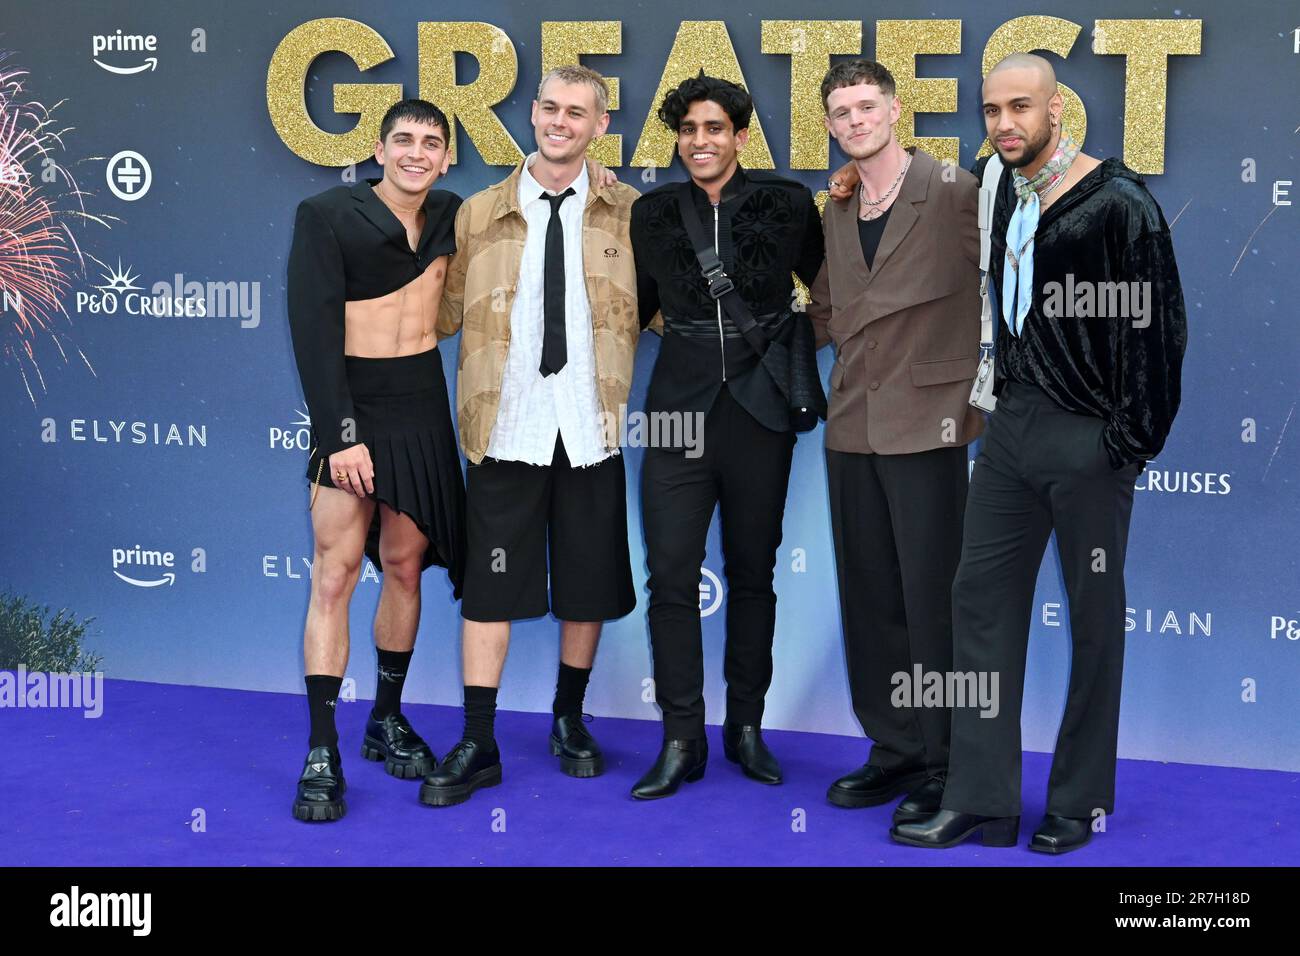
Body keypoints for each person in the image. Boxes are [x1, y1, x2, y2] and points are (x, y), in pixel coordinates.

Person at [890, 53, 1187, 853]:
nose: (1003, 123)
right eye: (991, 110)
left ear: (1060, 110)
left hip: (1089, 436)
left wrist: (1123, 443)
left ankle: (1077, 801)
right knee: (977, 605)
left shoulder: (1120, 204)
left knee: (1094, 623)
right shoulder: (999, 186)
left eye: (1020, 107)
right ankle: (981, 797)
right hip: (1012, 429)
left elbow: (1158, 336)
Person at [418, 65, 641, 807]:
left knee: (588, 585)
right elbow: (438, 312)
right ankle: (479, 740)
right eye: (550, 107)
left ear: (599, 126)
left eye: (578, 113)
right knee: (489, 592)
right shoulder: (478, 212)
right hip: (505, 429)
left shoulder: (631, 213)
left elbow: (671, 310)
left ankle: (569, 720)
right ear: (533, 113)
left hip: (588, 428)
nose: (559, 121)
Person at [629, 73, 824, 799]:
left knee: (753, 574)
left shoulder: (786, 202)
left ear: (740, 136)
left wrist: (791, 345)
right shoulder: (652, 214)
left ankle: (746, 727)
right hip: (677, 413)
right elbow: (637, 307)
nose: (701, 142)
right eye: (688, 130)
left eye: (715, 129)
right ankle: (682, 737)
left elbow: (832, 284)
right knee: (672, 578)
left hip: (761, 414)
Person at [809, 60, 983, 822]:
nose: (855, 120)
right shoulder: (837, 207)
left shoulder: (952, 189)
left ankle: (948, 759)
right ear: (828, 123)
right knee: (871, 596)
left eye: (866, 106)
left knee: (933, 600)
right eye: (841, 111)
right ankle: (895, 747)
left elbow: (1012, 272)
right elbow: (824, 309)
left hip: (931, 420)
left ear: (896, 108)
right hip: (853, 425)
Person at [286, 99, 466, 822]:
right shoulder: (325, 213)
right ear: (379, 148)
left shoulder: (454, 212)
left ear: (447, 156)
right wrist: (340, 435)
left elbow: (538, 189)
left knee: (402, 565)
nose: (416, 153)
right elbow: (310, 333)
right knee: (334, 572)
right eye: (404, 140)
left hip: (421, 401)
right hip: (353, 404)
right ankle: (322, 746)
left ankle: (385, 716)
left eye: (431, 143)